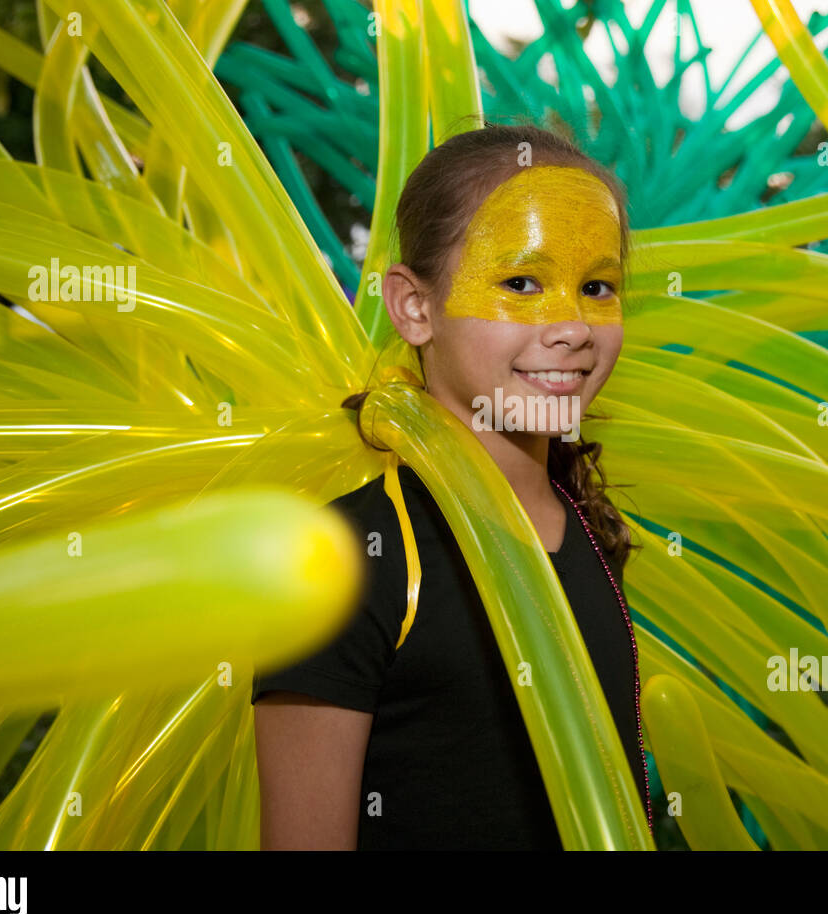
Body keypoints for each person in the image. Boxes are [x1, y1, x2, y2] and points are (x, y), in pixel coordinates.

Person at [251, 121, 652, 850]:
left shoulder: (588, 527)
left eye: (596, 286)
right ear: (413, 307)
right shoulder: (341, 564)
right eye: (521, 282)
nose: (571, 326)